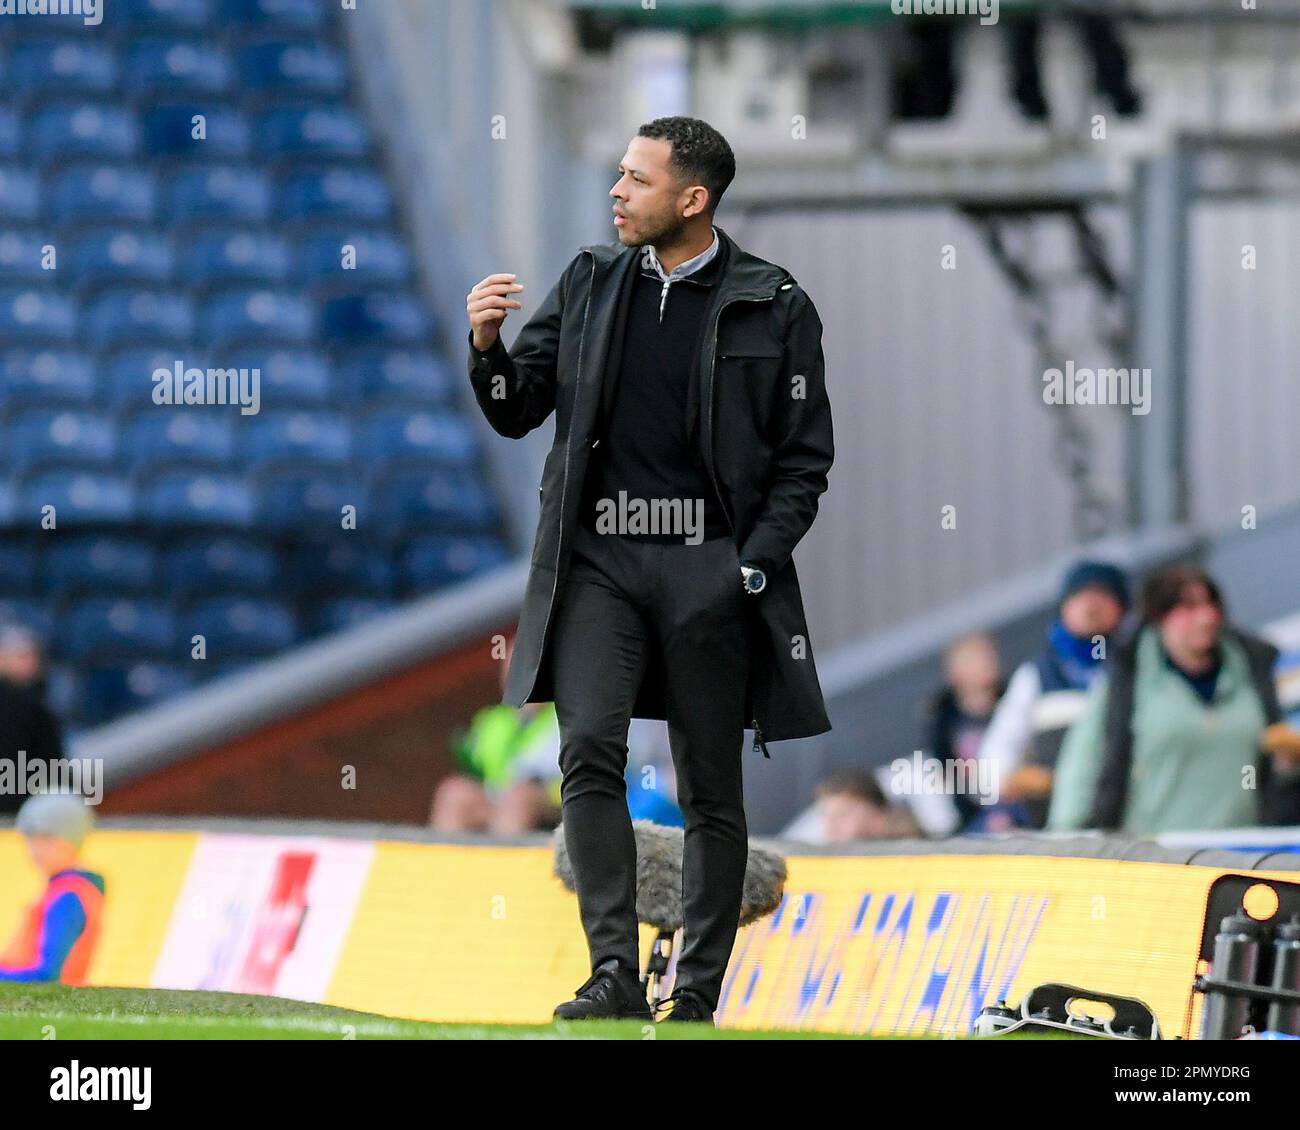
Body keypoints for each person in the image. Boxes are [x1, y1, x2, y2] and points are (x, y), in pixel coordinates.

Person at [465, 116, 833, 1024]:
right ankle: (613, 973)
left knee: (712, 782)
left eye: (637, 179)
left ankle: (698, 991)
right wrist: (486, 349)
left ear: (692, 200)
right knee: (589, 751)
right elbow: (518, 411)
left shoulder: (776, 305)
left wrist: (745, 571)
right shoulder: (590, 281)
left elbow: (804, 464)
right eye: (620, 174)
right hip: (600, 564)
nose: (618, 192)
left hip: (708, 568)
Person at [1047, 564, 1300, 835]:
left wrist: (1289, 766)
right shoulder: (1126, 680)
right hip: (1157, 857)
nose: (1206, 617)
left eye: (1210, 605)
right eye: (1189, 608)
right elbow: (1082, 765)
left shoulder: (1255, 668)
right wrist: (1067, 841)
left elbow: (1278, 762)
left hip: (1241, 855)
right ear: (1159, 616)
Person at [977, 560, 1130, 830]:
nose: (1091, 607)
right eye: (1081, 597)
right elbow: (995, 759)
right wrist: (1037, 780)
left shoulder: (1135, 671)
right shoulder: (1037, 675)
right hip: (1053, 825)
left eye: (1102, 597)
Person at [0, 792, 105, 984]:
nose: (35, 850)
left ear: (69, 840)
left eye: (46, 839)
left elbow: (48, 974)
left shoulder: (69, 895)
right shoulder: (62, 890)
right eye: (31, 840)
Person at [922, 632, 1005, 832]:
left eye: (989, 656)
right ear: (955, 673)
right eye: (976, 659)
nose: (987, 663)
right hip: (972, 816)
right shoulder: (943, 720)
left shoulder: (1013, 701)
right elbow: (944, 775)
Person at [0, 624, 65, 817]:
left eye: (33, 657)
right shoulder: (28, 704)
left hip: (28, 812)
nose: (30, 664)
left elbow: (52, 765)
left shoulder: (39, 705)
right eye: (21, 657)